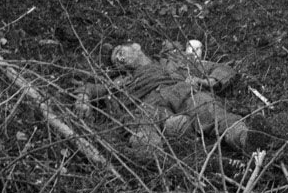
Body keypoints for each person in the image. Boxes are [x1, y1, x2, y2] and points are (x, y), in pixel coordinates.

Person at [111, 42, 266, 151]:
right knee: (144, 129)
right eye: (116, 62)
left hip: (180, 90)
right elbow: (91, 88)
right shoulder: (119, 83)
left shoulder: (175, 59)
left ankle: (245, 138)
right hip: (149, 104)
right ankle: (157, 158)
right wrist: (84, 96)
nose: (120, 59)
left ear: (136, 47)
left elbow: (222, 69)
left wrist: (206, 82)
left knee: (207, 108)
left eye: (120, 52)